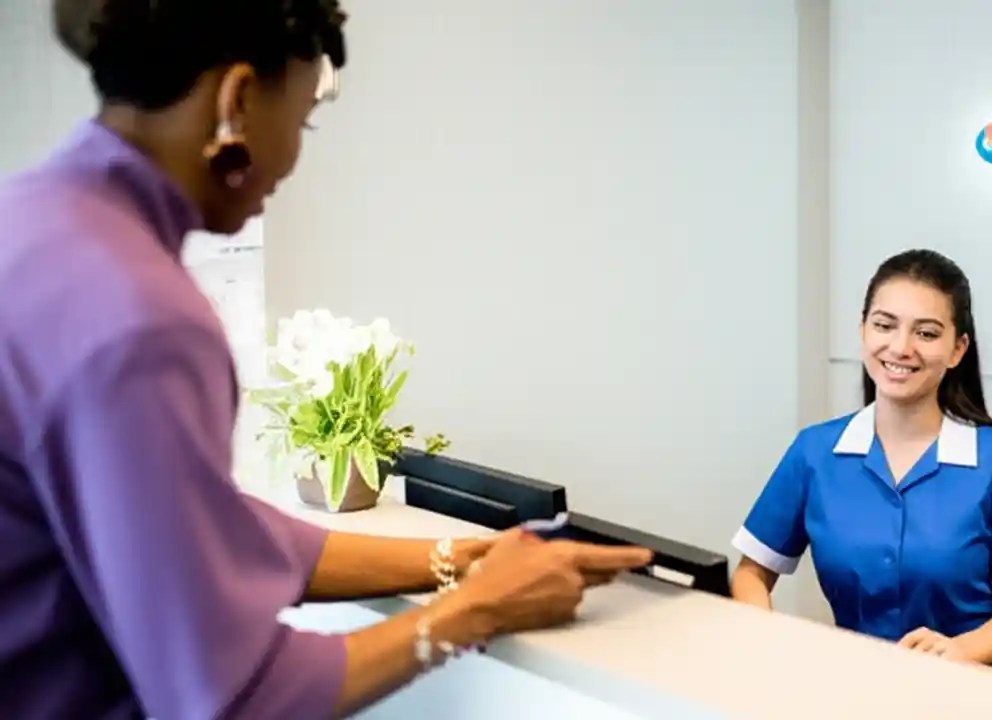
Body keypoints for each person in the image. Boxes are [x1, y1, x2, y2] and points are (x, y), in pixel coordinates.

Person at [0, 2, 651, 718]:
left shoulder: (31, 222)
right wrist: (478, 611)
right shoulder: (140, 319)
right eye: (303, 120)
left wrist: (454, 560)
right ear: (238, 100)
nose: (292, 159)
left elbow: (197, 524)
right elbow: (233, 700)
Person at [730, 249, 992, 669]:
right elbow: (751, 573)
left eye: (926, 333)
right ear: (863, 330)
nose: (900, 347)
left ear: (958, 349)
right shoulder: (814, 452)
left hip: (970, 695)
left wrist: (960, 651)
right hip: (854, 687)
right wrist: (771, 644)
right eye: (884, 325)